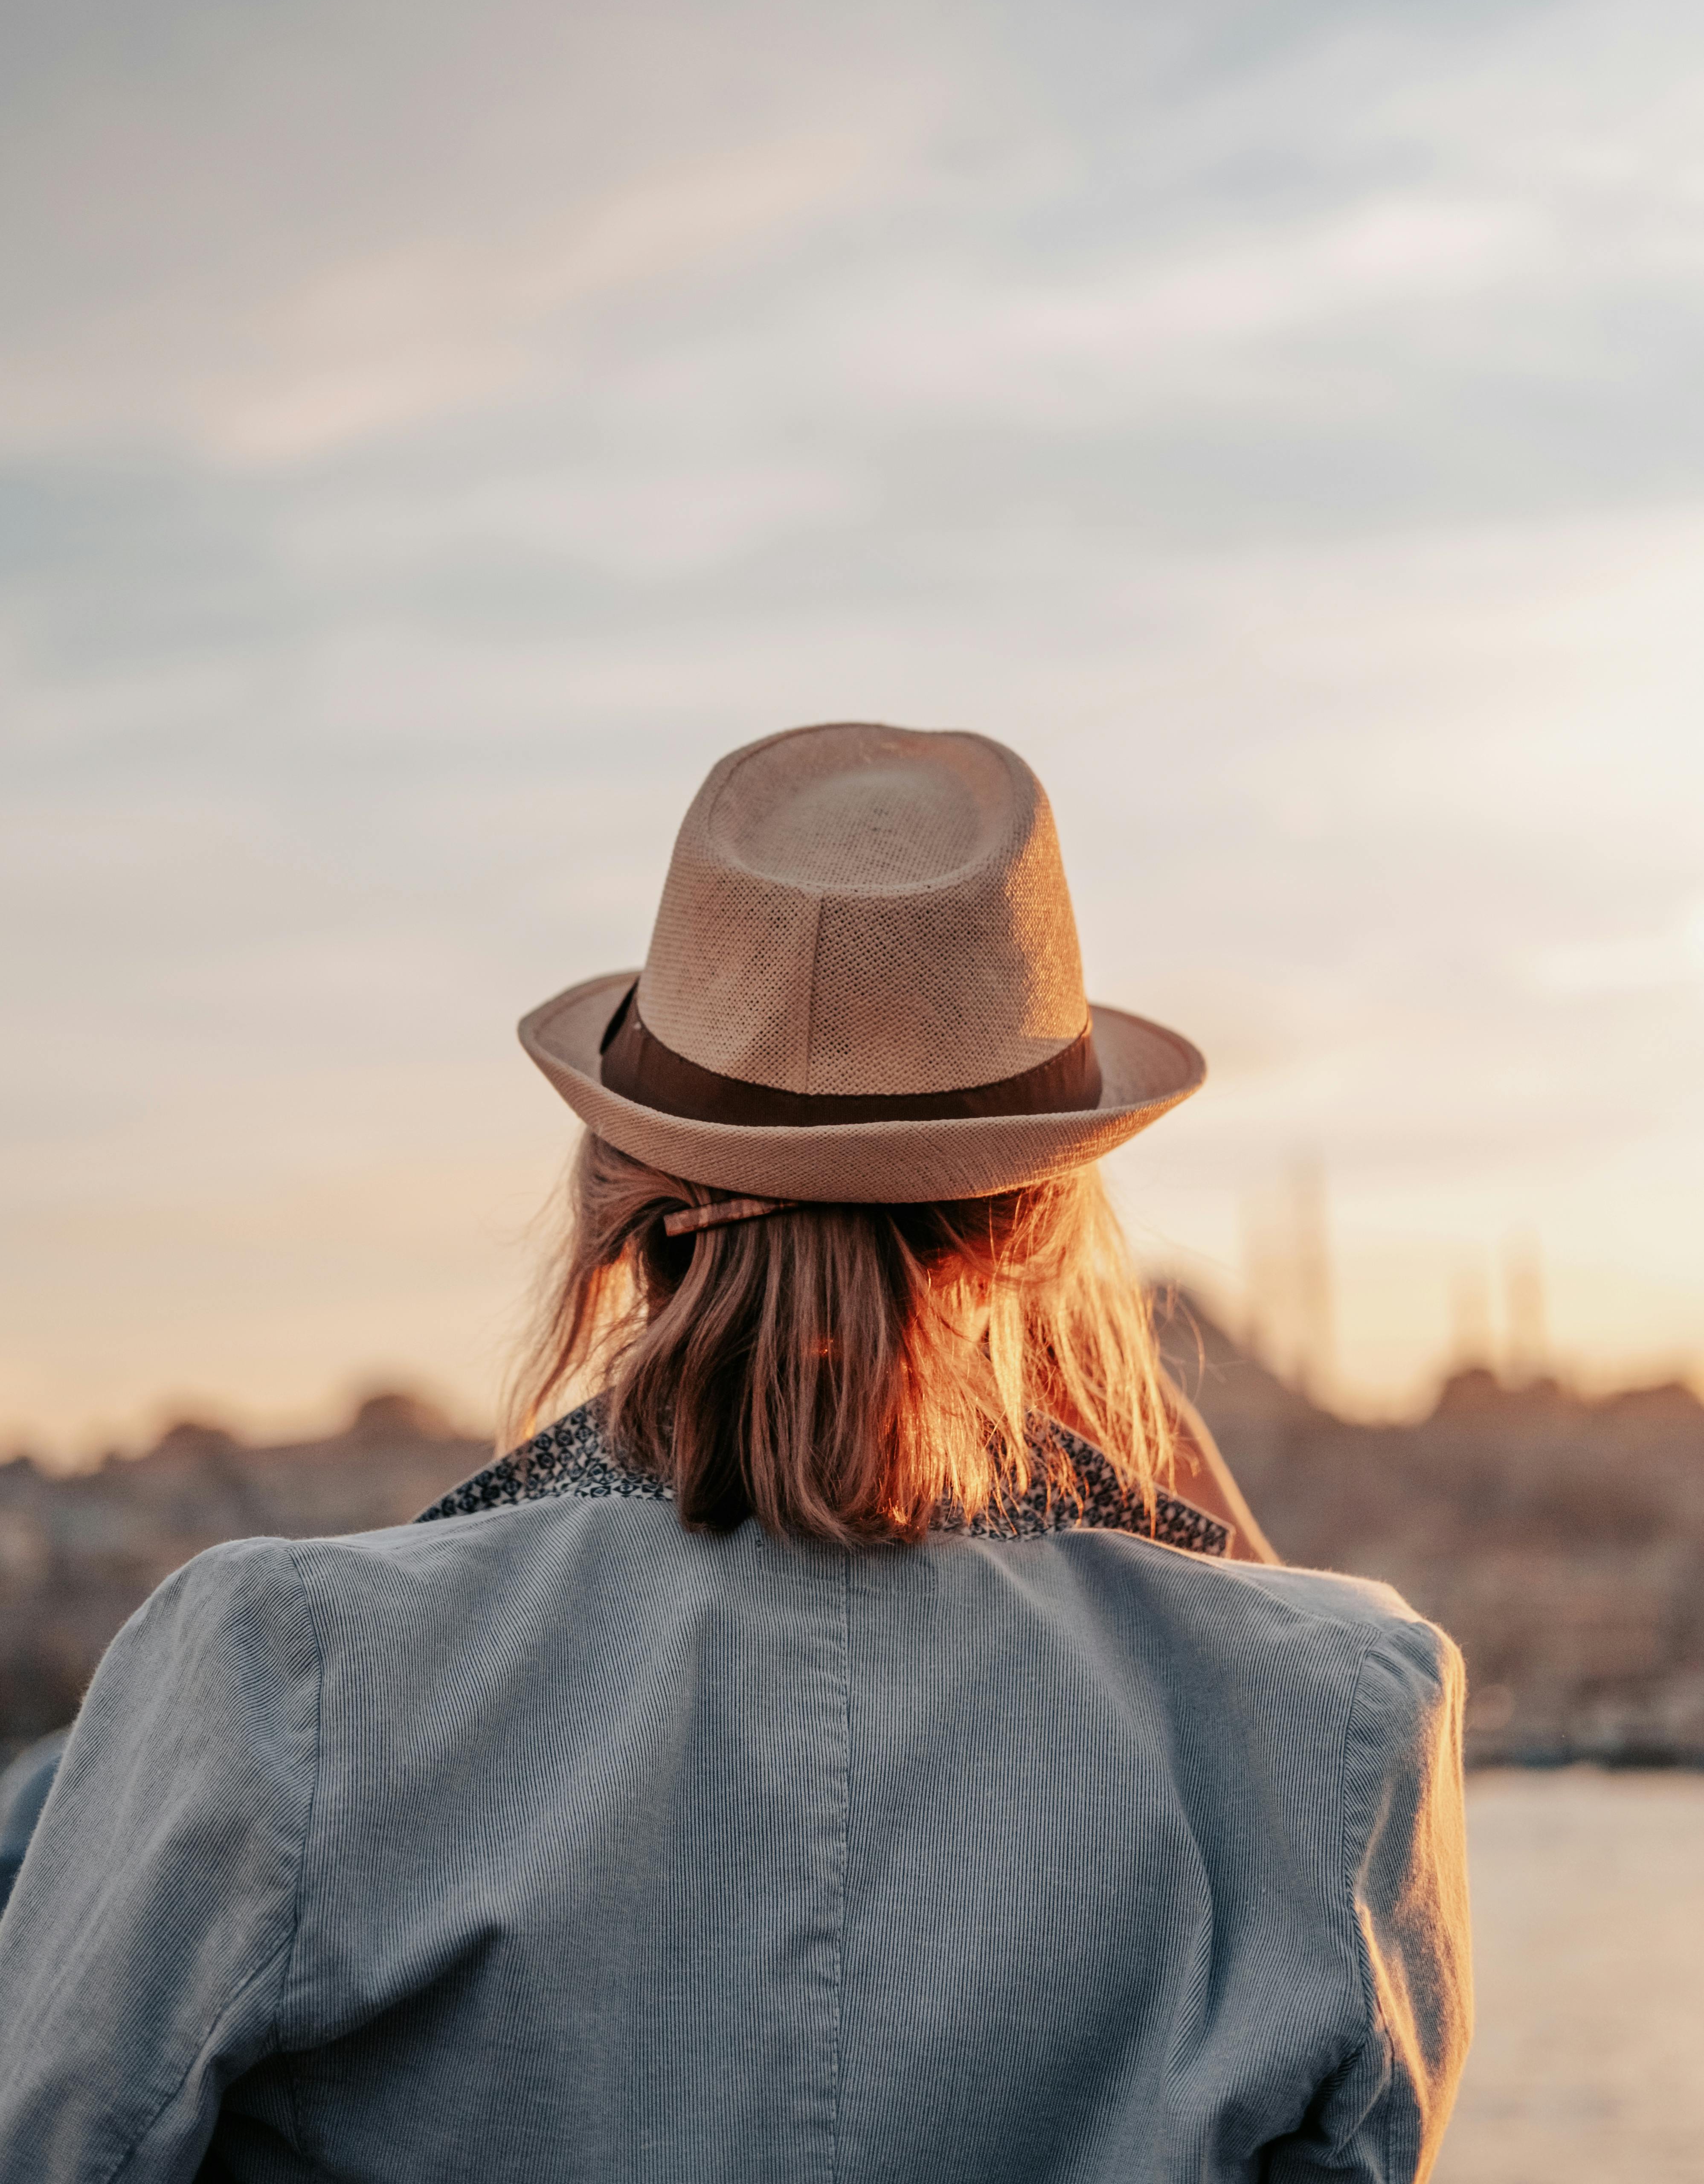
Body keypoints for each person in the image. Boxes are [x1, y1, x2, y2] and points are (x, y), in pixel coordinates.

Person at [0, 722, 1470, 2181]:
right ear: (1037, 1228)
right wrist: (1166, 1480)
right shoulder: (1332, 1713)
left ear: (613, 1199)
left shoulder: (278, 1670)